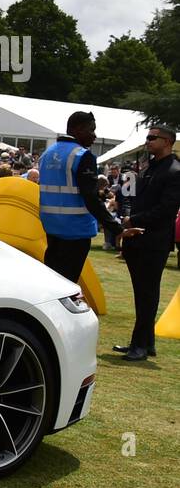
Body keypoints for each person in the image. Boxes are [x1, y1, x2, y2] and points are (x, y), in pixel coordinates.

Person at [113, 125, 180, 360]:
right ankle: (145, 342)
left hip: (154, 241)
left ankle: (139, 345)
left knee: (147, 294)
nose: (148, 141)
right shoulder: (150, 167)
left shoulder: (174, 170)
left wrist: (133, 219)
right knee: (142, 294)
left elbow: (166, 210)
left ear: (168, 142)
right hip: (137, 239)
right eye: (147, 137)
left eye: (153, 138)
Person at [37, 111, 122, 285]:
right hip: (75, 230)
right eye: (91, 130)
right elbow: (90, 198)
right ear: (78, 130)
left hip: (51, 227)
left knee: (51, 281)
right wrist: (116, 228)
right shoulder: (82, 155)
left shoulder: (47, 154)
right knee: (66, 285)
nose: (94, 136)